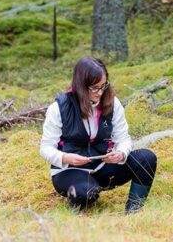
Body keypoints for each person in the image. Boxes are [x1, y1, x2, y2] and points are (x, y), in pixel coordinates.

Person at [40, 57, 157, 213]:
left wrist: (121, 154)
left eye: (103, 85)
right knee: (87, 192)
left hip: (103, 167)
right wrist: (66, 158)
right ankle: (79, 198)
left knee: (146, 158)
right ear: (81, 86)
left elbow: (123, 139)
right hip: (69, 170)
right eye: (95, 88)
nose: (100, 92)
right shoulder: (59, 108)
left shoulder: (112, 103)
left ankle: (133, 210)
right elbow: (45, 148)